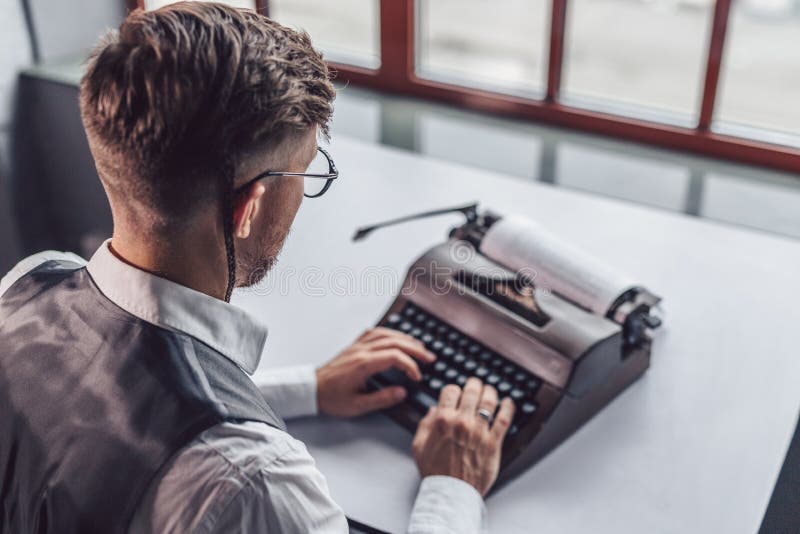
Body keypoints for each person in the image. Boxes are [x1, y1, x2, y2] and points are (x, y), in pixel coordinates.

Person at [0, 3, 514, 533]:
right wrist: (454, 486)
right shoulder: (255, 482)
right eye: (306, 173)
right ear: (250, 207)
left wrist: (309, 388)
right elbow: (196, 450)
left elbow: (106, 415)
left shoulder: (27, 286)